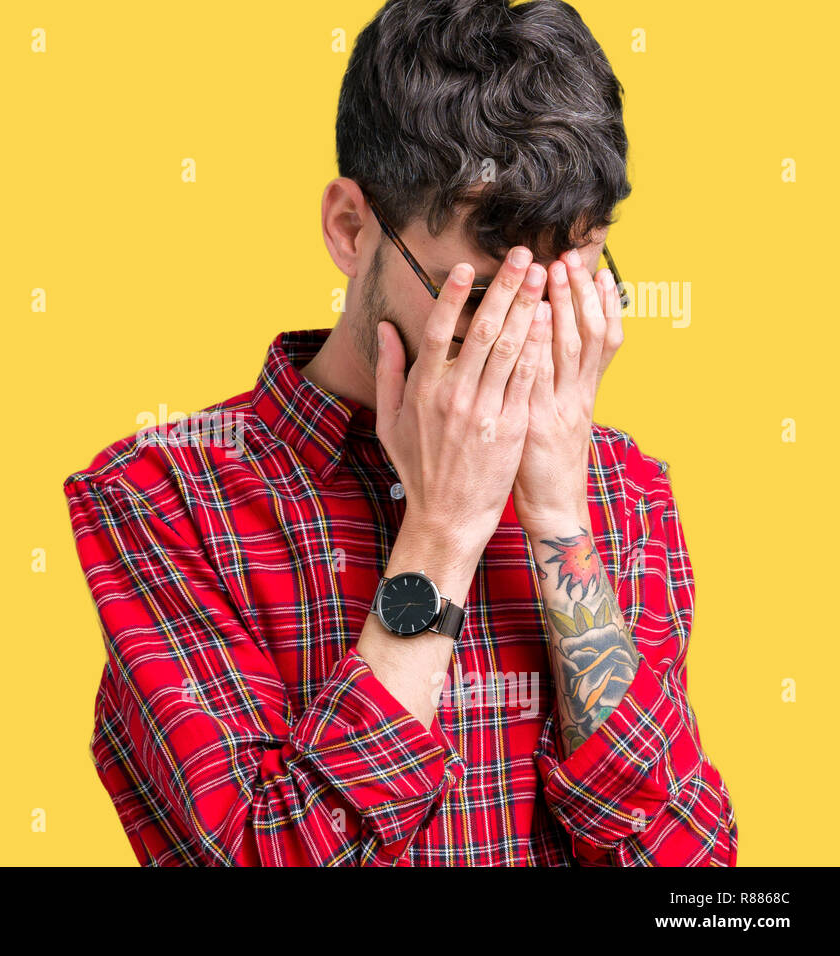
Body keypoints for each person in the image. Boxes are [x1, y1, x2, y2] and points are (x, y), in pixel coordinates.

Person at [63, 0, 736, 865]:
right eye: (489, 293)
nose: (532, 335)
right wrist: (442, 537)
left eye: (571, 282)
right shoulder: (165, 500)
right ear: (352, 229)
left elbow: (690, 879)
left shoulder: (625, 492)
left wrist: (562, 514)